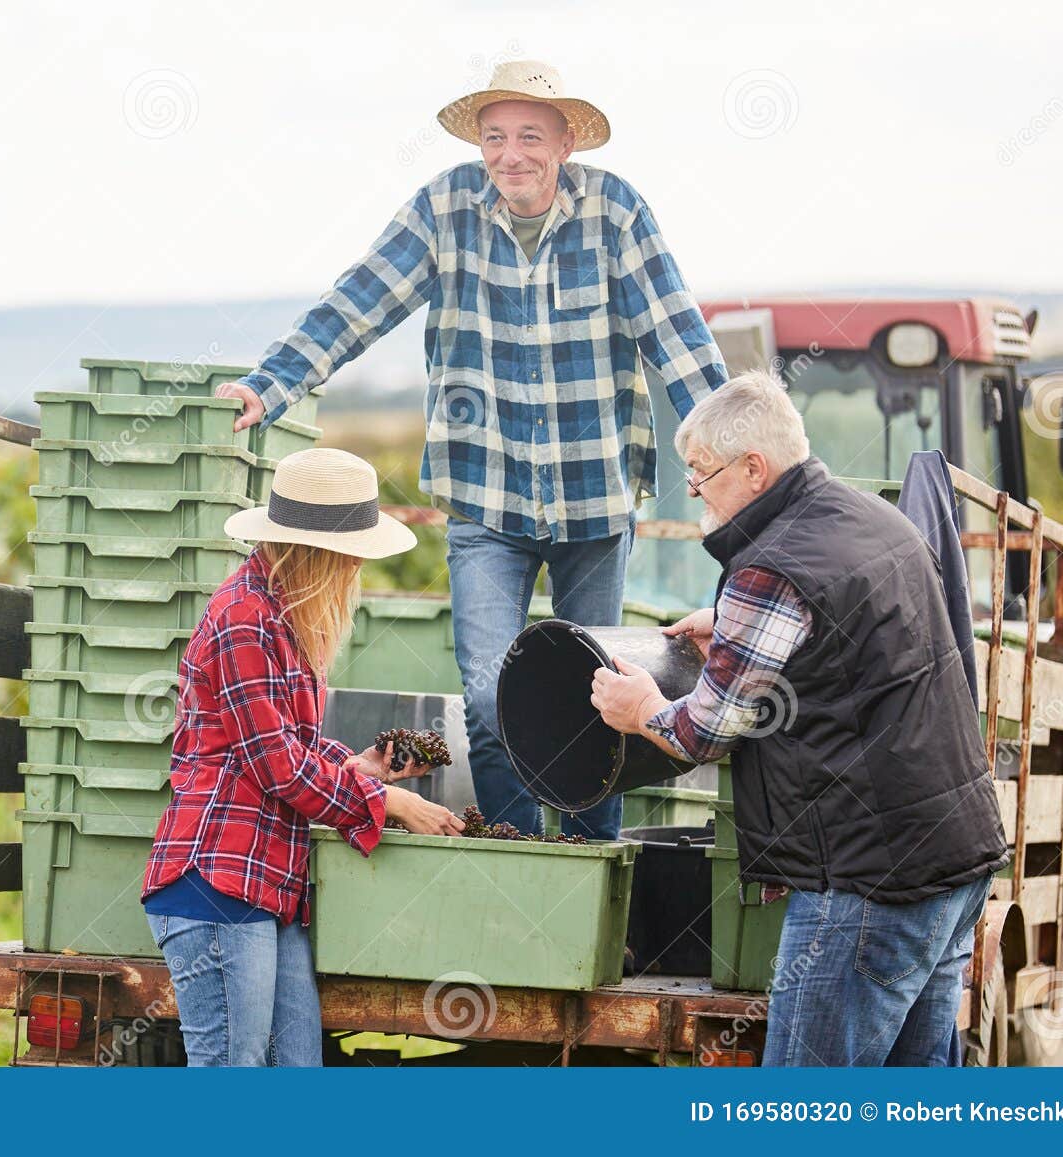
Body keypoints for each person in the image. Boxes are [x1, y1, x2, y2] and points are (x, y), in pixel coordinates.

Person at [217, 59, 726, 839]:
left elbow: (677, 339)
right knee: (493, 702)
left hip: (594, 502)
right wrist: (273, 382)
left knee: (606, 700)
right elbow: (361, 299)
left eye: (529, 135)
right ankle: (510, 861)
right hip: (485, 502)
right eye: (495, 137)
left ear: (564, 143)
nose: (509, 154)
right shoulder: (444, 208)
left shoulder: (617, 213)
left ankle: (593, 880)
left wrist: (726, 449)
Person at [589, 370, 1009, 1066]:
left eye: (701, 475)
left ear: (754, 468)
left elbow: (702, 731)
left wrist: (642, 711)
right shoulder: (874, 519)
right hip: (956, 863)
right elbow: (850, 649)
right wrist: (731, 626)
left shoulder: (769, 568)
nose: (694, 493)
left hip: (870, 884)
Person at [141, 447, 465, 1066]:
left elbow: (291, 744)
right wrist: (388, 801)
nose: (355, 570)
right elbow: (277, 766)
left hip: (269, 884)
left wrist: (362, 767)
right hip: (218, 880)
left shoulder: (281, 617)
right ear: (319, 552)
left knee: (295, 1071)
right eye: (352, 556)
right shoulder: (246, 618)